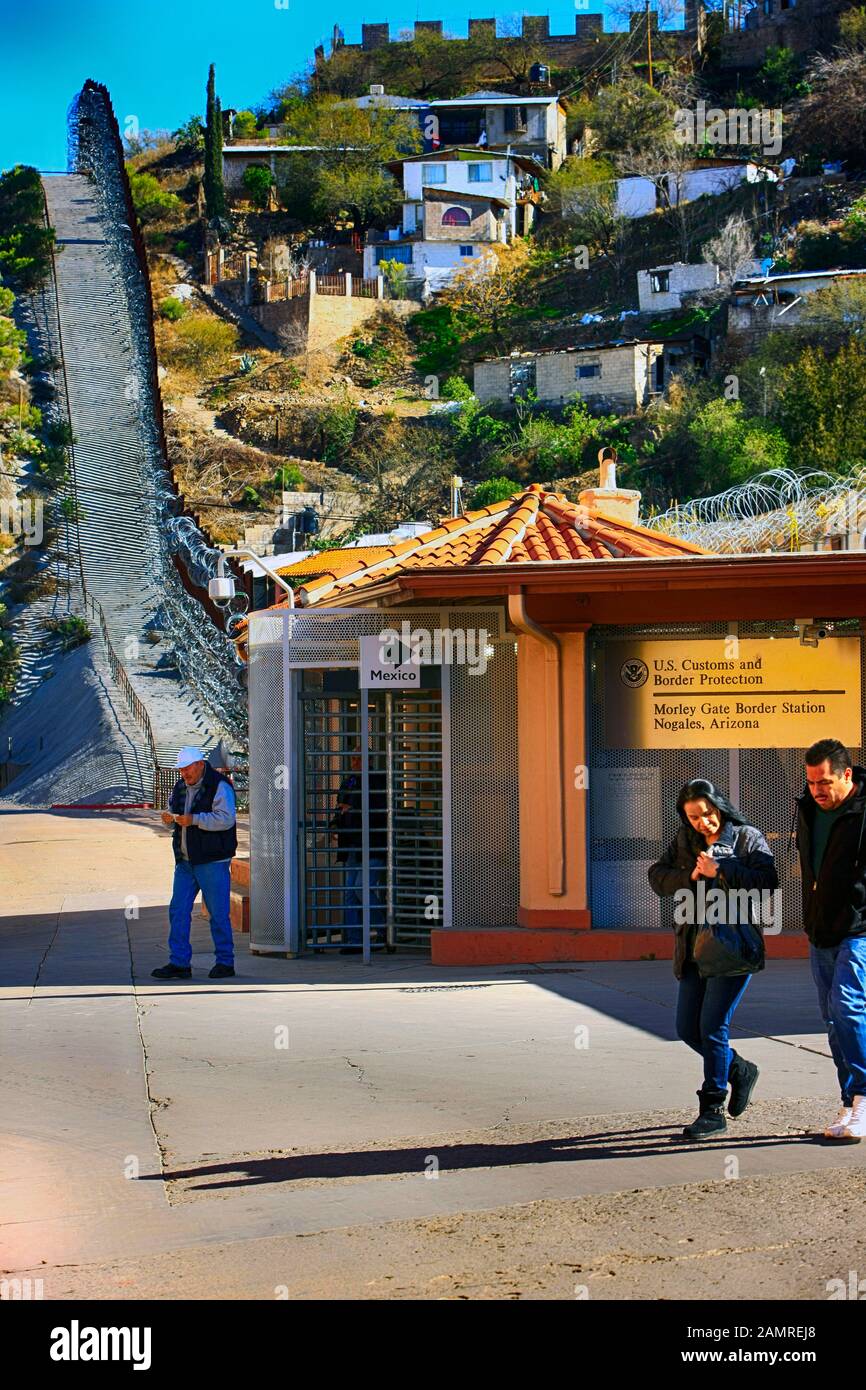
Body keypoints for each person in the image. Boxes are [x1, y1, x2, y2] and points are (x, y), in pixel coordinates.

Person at [649, 778, 777, 1141]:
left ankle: (713, 1109)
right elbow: (656, 876)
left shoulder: (745, 837)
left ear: (718, 806)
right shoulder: (684, 842)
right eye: (694, 817)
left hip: (732, 947)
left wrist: (720, 871)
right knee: (687, 1029)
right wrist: (689, 876)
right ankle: (739, 1069)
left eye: (708, 813)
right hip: (692, 947)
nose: (704, 822)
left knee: (712, 1026)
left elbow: (767, 880)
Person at [796, 738, 866, 1141]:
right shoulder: (807, 809)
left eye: (824, 782)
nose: (817, 790)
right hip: (820, 929)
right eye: (811, 782)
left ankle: (863, 1096)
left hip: (859, 929)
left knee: (848, 1006)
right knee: (832, 1018)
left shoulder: (862, 812)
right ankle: (849, 1101)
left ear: (846, 775)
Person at [152, 746, 237, 980]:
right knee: (178, 911)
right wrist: (169, 820)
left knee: (218, 914)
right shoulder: (180, 787)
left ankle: (225, 962)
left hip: (212, 861)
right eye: (181, 770)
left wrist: (194, 820)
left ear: (200, 765)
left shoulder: (220, 786)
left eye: (187, 769)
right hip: (186, 862)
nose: (184, 774)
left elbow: (226, 819)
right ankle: (179, 963)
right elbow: (175, 818)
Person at [329, 751, 387, 955]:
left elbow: (380, 810)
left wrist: (352, 808)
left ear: (370, 760)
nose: (355, 761)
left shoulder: (379, 781)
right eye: (353, 758)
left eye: (360, 757)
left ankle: (384, 931)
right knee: (351, 894)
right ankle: (354, 940)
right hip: (352, 844)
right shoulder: (349, 781)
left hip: (372, 844)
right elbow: (339, 809)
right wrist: (335, 825)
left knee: (362, 889)